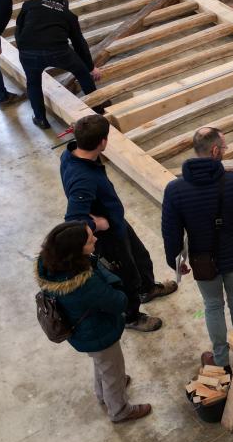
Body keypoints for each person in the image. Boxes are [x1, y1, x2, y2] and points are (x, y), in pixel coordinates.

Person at [161, 127, 233, 370]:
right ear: (216, 150)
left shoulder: (175, 190)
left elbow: (171, 232)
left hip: (202, 261)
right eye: (225, 148)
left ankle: (221, 361)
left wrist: (175, 261)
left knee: (213, 306)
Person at [61, 114, 176, 333]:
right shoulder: (82, 177)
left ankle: (148, 289)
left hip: (116, 222)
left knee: (141, 257)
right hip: (107, 236)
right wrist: (99, 225)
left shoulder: (74, 153)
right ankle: (131, 316)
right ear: (102, 143)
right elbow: (74, 220)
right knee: (127, 278)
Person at [36, 221, 151, 423]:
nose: (95, 239)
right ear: (75, 252)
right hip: (98, 333)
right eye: (90, 240)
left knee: (103, 364)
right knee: (113, 369)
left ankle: (103, 393)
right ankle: (119, 410)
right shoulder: (85, 284)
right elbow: (118, 302)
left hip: (81, 331)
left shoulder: (50, 266)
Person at [16, 0, 103, 129]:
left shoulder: (30, 5)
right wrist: (90, 67)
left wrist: (23, 48)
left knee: (33, 83)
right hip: (58, 51)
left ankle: (40, 119)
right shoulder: (68, 15)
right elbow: (79, 43)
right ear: (64, 4)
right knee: (82, 73)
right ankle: (98, 108)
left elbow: (19, 28)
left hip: (29, 51)